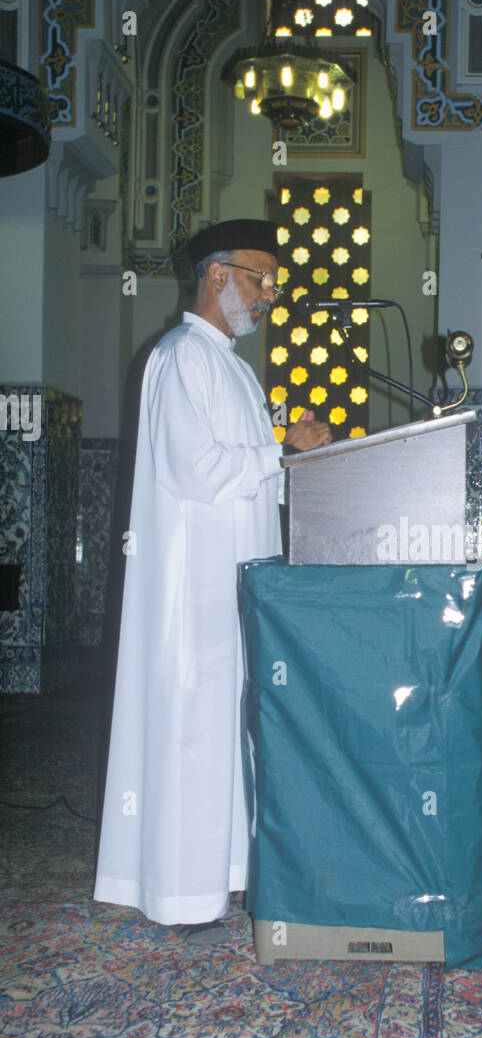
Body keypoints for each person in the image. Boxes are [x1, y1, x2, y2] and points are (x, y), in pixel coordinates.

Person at [94, 219, 331, 942]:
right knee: (195, 732)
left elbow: (251, 473)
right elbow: (195, 471)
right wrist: (278, 451)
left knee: (230, 731)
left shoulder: (230, 365)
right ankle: (181, 892)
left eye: (273, 284)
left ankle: (223, 874)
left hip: (235, 581)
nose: (268, 297)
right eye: (260, 279)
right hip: (192, 589)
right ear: (217, 274)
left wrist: (291, 455)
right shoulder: (179, 357)